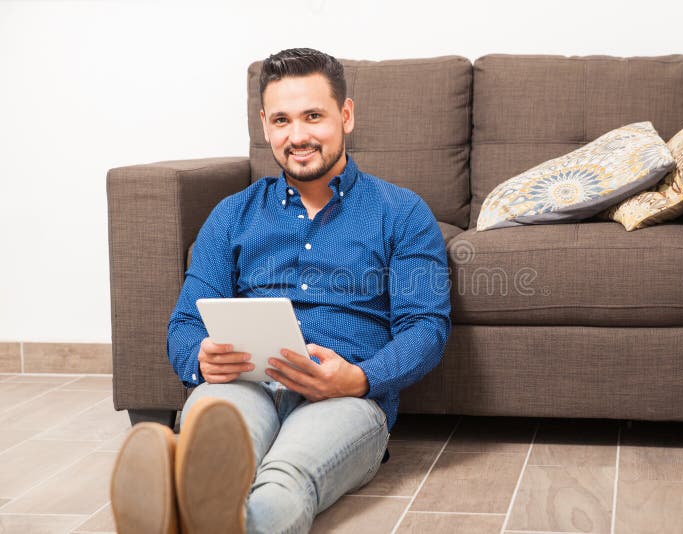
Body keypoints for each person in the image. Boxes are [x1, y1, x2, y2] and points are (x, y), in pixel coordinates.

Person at [110, 47, 451, 534]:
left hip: (345, 399)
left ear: (346, 116)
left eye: (313, 116)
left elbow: (426, 328)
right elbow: (185, 323)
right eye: (282, 120)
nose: (297, 136)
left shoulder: (402, 212)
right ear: (264, 126)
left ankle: (193, 519)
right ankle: (193, 500)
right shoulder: (232, 215)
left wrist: (359, 378)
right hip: (243, 384)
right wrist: (200, 359)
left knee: (285, 480)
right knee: (210, 467)